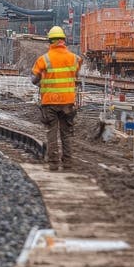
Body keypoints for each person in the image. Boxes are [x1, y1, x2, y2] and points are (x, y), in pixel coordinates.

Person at [31, 25, 82, 171]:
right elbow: (77, 71)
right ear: (63, 40)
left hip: (50, 102)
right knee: (65, 133)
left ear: (50, 41)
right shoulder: (74, 59)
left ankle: (53, 163)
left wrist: (41, 78)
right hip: (67, 102)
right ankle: (68, 163)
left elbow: (34, 79)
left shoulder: (44, 59)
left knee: (51, 132)